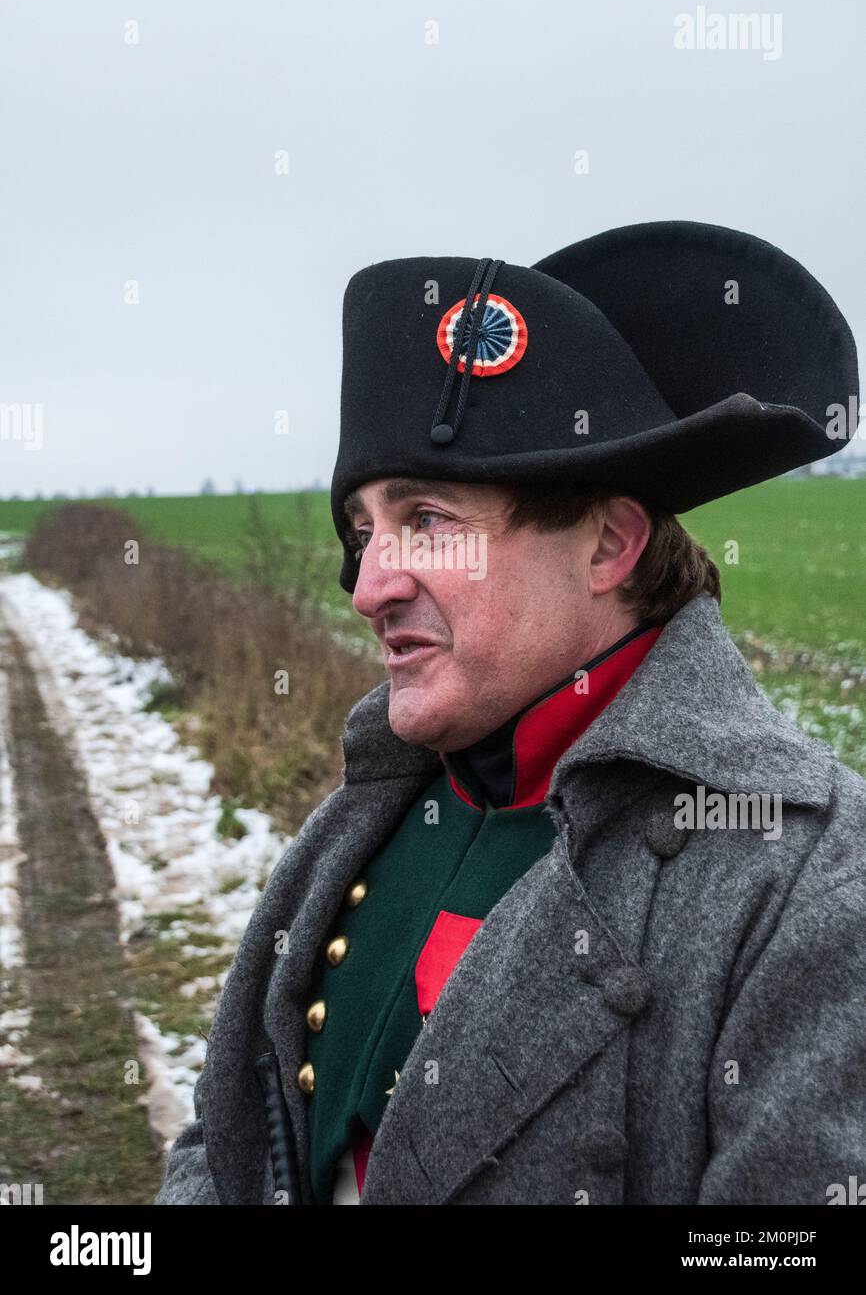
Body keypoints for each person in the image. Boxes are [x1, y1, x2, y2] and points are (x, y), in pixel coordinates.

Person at [155, 221, 865, 1205]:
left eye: (427, 522)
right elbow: (226, 1143)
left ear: (608, 544)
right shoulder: (359, 822)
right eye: (363, 533)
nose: (367, 585)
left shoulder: (809, 879)